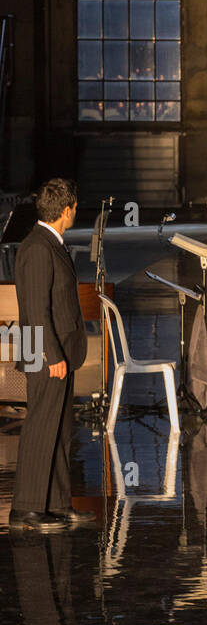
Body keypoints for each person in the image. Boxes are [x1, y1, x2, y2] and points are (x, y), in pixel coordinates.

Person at [10, 177, 89, 531]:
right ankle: (26, 509)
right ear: (67, 210)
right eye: (75, 207)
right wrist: (52, 354)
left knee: (58, 429)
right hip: (45, 353)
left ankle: (55, 504)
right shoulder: (40, 247)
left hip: (53, 350)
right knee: (42, 428)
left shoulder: (48, 242)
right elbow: (36, 309)